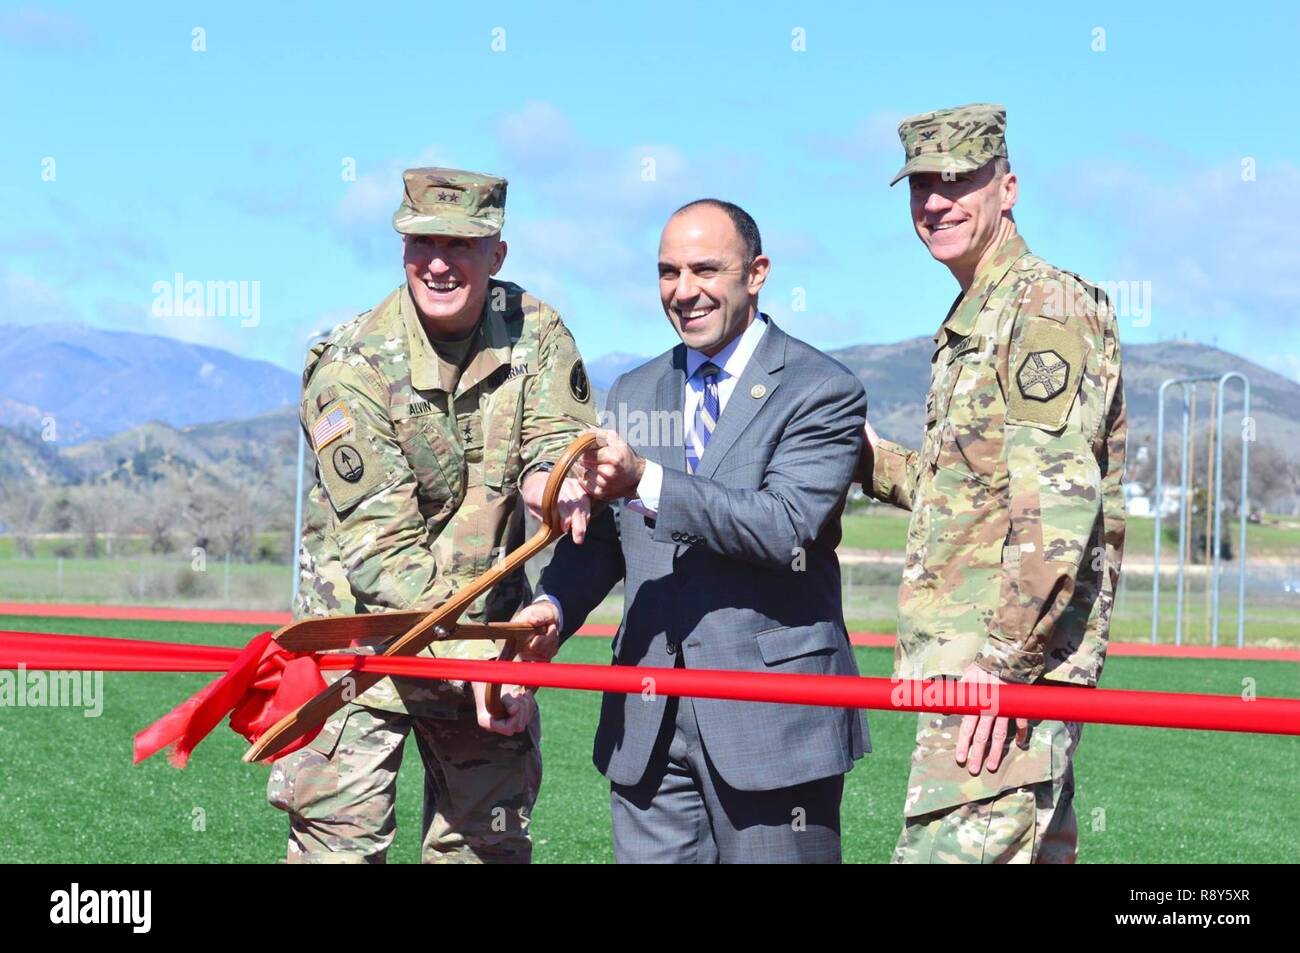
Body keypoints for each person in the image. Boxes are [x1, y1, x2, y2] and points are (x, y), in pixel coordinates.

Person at [513, 199, 868, 863]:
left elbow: (785, 526)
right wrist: (554, 605)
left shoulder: (823, 388)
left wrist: (647, 478)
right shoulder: (634, 390)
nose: (684, 290)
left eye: (706, 268)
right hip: (645, 726)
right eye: (667, 272)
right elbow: (611, 541)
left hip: (774, 726)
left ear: (757, 272)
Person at [268, 167, 595, 863]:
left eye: (462, 245)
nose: (439, 262)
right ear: (401, 248)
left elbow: (553, 446)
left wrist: (554, 486)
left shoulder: (536, 332)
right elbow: (384, 554)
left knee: (485, 849)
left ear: (496, 254)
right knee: (336, 852)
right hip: (361, 651)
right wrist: (479, 657)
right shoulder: (351, 364)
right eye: (422, 243)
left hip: (485, 644)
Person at [860, 104, 1127, 863]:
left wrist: (1001, 666)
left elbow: (1057, 511)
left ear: (1007, 188)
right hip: (981, 669)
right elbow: (974, 494)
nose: (936, 202)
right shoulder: (978, 313)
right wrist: (868, 459)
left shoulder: (1045, 307)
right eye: (920, 185)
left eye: (959, 181)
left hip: (997, 677)